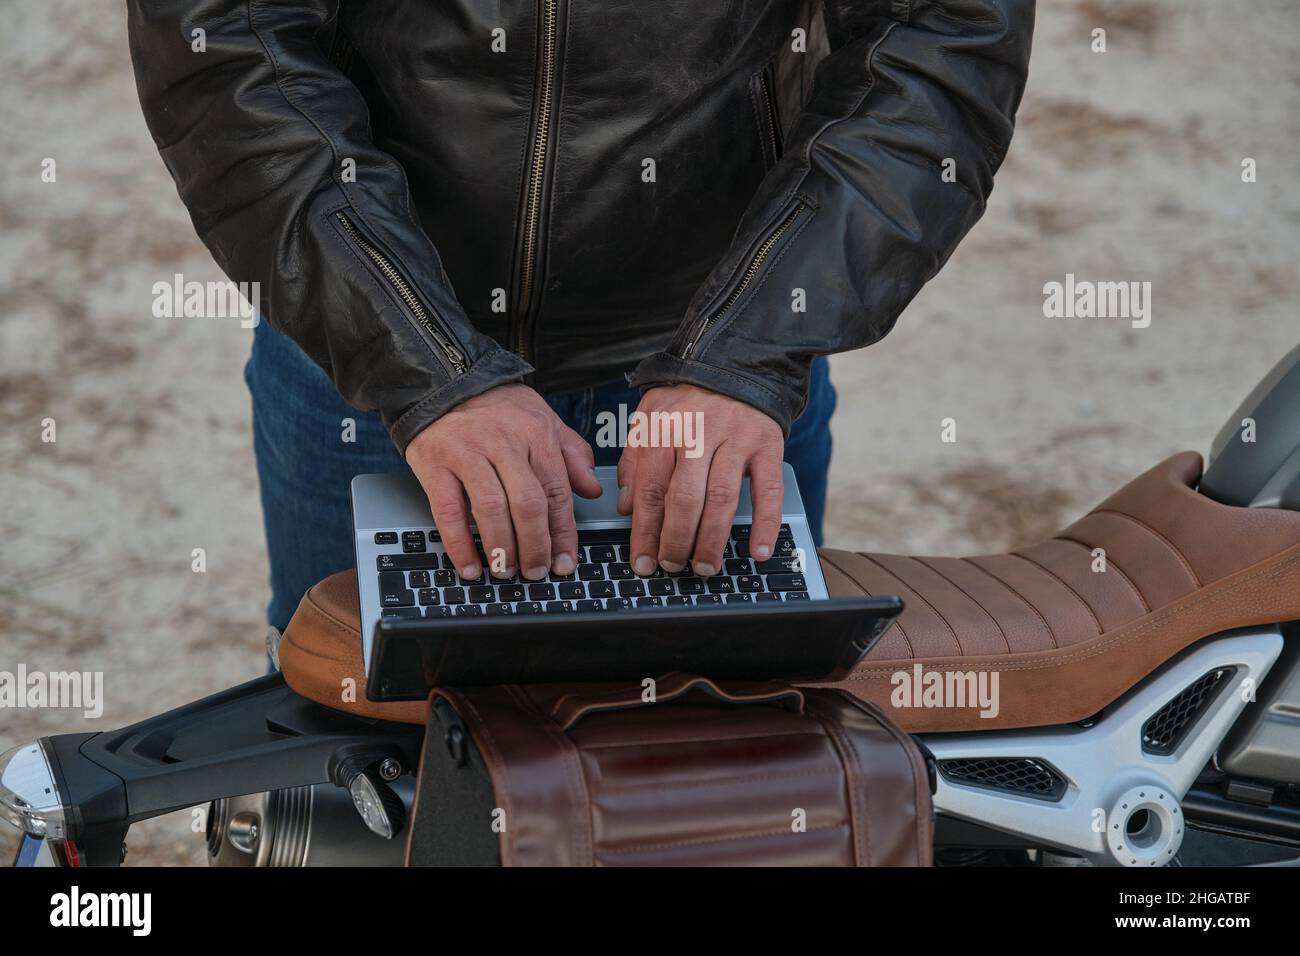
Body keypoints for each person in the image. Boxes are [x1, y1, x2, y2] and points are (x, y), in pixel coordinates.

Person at [126, 1, 1034, 631]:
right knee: (364, 773)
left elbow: (939, 35)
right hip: (368, 365)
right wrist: (423, 360)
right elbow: (231, 48)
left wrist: (749, 345)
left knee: (719, 777)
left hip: (712, 372)